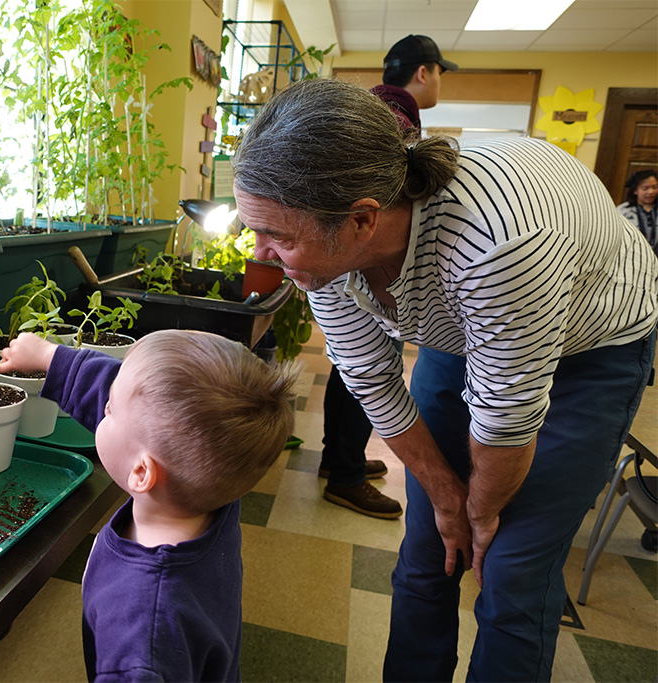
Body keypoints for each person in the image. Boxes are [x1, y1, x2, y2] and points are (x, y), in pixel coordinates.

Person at [231, 77, 657, 681]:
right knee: (430, 547)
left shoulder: (497, 246)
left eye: (277, 235)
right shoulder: (328, 255)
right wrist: (447, 497)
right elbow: (373, 383)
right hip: (466, 324)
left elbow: (504, 424)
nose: (261, 253)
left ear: (362, 219)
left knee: (509, 570)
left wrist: (480, 511)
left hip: (594, 346)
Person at [0, 330, 296, 681]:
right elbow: (136, 409)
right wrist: (50, 357)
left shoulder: (144, 635)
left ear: (142, 472)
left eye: (110, 409)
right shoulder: (212, 487)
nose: (103, 405)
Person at [318, 34, 458, 520]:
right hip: (365, 269)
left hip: (362, 266)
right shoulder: (393, 110)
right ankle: (345, 472)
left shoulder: (377, 105)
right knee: (364, 366)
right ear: (424, 72)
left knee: (356, 367)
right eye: (439, 72)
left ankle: (342, 460)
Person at [618, 169, 658, 257]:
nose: (651, 192)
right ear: (635, 190)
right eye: (645, 188)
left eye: (655, 187)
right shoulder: (623, 210)